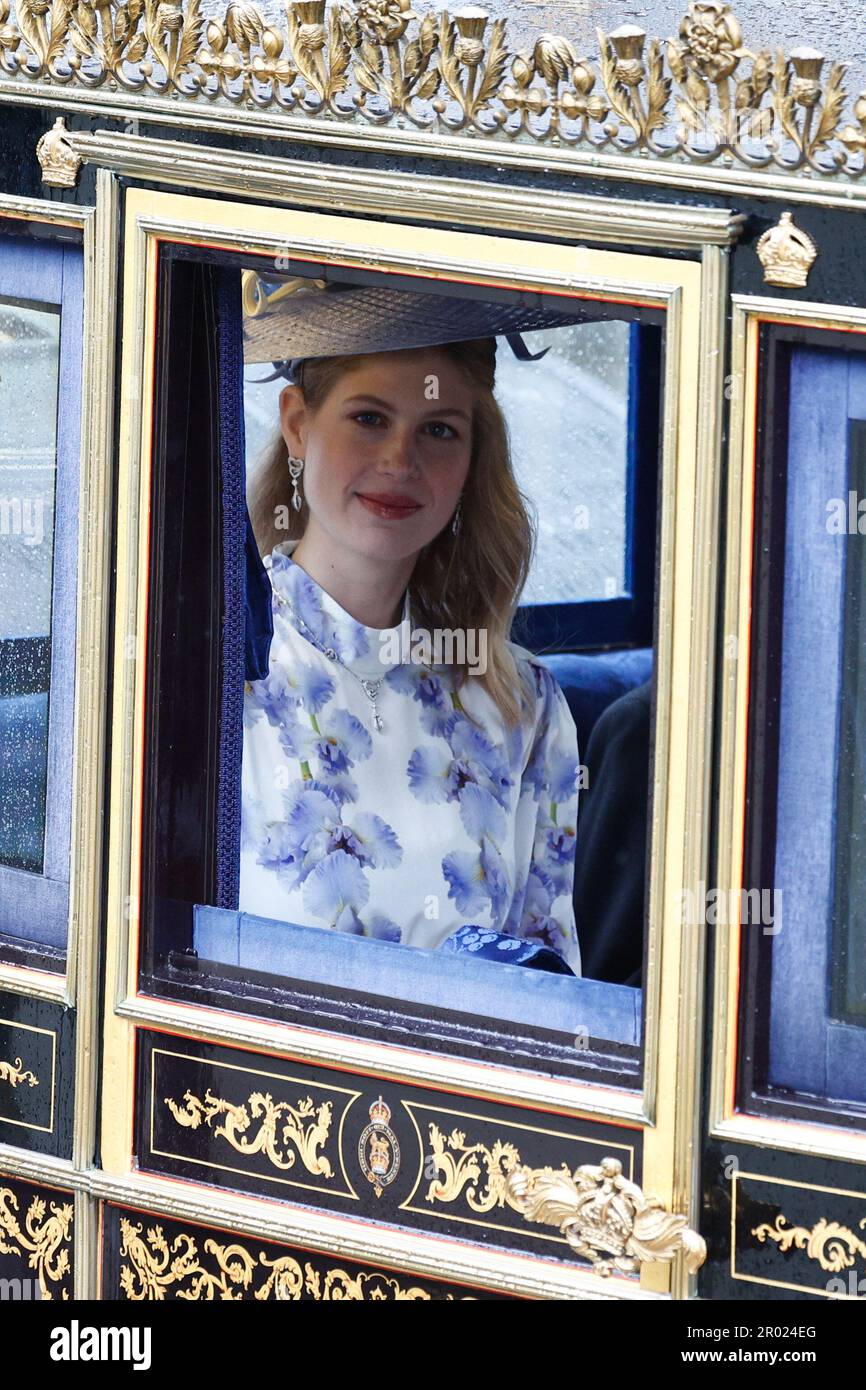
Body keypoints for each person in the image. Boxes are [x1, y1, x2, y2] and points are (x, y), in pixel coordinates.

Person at [237, 280, 582, 974]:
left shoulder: (525, 706)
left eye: (439, 430)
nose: (400, 460)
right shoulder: (214, 666)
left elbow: (549, 993)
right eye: (369, 418)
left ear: (471, 462)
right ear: (298, 425)